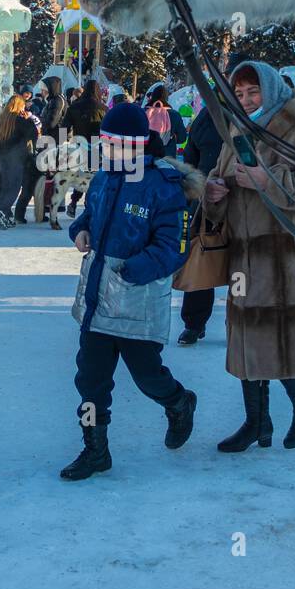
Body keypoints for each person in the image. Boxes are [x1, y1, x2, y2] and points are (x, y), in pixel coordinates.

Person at [203, 61, 295, 452]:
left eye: (253, 92)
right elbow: (221, 175)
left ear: (271, 88)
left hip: (291, 256)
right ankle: (256, 422)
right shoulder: (237, 127)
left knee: (284, 335)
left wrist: (270, 181)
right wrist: (213, 193)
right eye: (240, 94)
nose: (245, 101)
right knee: (251, 336)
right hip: (246, 256)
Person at [61, 102, 198, 481]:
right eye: (108, 144)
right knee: (89, 380)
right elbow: (89, 214)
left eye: (122, 145)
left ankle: (178, 402)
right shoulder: (104, 177)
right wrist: (81, 231)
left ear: (140, 145)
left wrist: (132, 269)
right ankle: (95, 450)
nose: (114, 152)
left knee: (147, 377)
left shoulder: (163, 186)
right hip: (97, 300)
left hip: (137, 302)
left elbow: (173, 247)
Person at [175, 99, 225, 346]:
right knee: (201, 260)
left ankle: (239, 322)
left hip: (248, 203)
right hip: (205, 200)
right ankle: (194, 323)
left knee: (243, 267)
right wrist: (193, 190)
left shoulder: (257, 116)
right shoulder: (207, 116)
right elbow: (190, 159)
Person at [0, 94, 40, 229]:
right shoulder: (19, 120)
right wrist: (28, 119)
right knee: (14, 188)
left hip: (1, 158)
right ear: (19, 105)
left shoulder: (0, 119)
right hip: (17, 157)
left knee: (6, 187)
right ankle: (1, 212)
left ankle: (4, 215)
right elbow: (34, 134)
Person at [65, 83, 107, 219]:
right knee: (92, 177)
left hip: (78, 145)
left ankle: (73, 201)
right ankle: (89, 205)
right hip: (96, 147)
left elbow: (64, 127)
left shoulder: (74, 107)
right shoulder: (103, 108)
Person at [143, 82, 187, 159]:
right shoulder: (174, 114)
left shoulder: (143, 113)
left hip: (145, 156)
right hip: (167, 157)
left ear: (152, 96)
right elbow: (182, 138)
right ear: (166, 98)